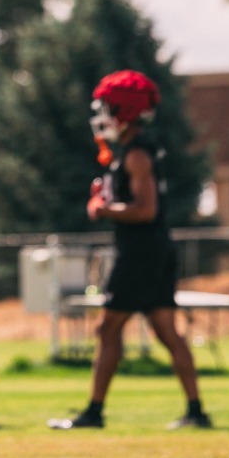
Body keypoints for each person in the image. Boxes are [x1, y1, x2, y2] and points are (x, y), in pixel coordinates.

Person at [49, 71, 209, 432]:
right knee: (167, 331)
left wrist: (102, 209)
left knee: (108, 328)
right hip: (155, 249)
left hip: (141, 251)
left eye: (107, 108)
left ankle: (94, 411)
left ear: (123, 109)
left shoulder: (136, 155)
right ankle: (196, 410)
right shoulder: (137, 150)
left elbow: (145, 209)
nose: (103, 116)